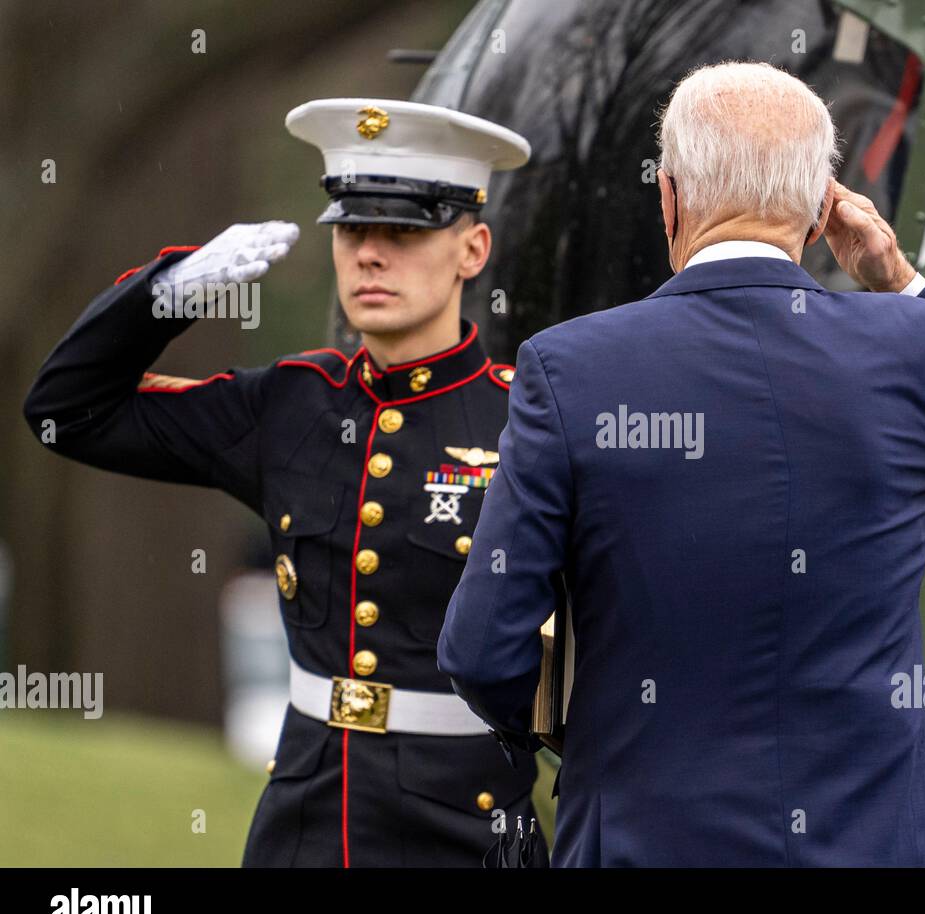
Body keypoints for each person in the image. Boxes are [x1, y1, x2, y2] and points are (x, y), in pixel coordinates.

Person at [437, 62, 925, 866]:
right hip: (885, 838)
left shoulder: (569, 369)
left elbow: (480, 649)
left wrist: (598, 744)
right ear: (820, 212)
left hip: (647, 835)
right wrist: (900, 280)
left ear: (669, 197)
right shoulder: (911, 348)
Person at [24, 98, 545, 867]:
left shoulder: (527, 418)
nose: (370, 255)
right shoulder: (290, 403)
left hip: (465, 827)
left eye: (403, 232)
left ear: (472, 249)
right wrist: (169, 295)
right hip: (307, 816)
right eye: (353, 231)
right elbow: (65, 411)